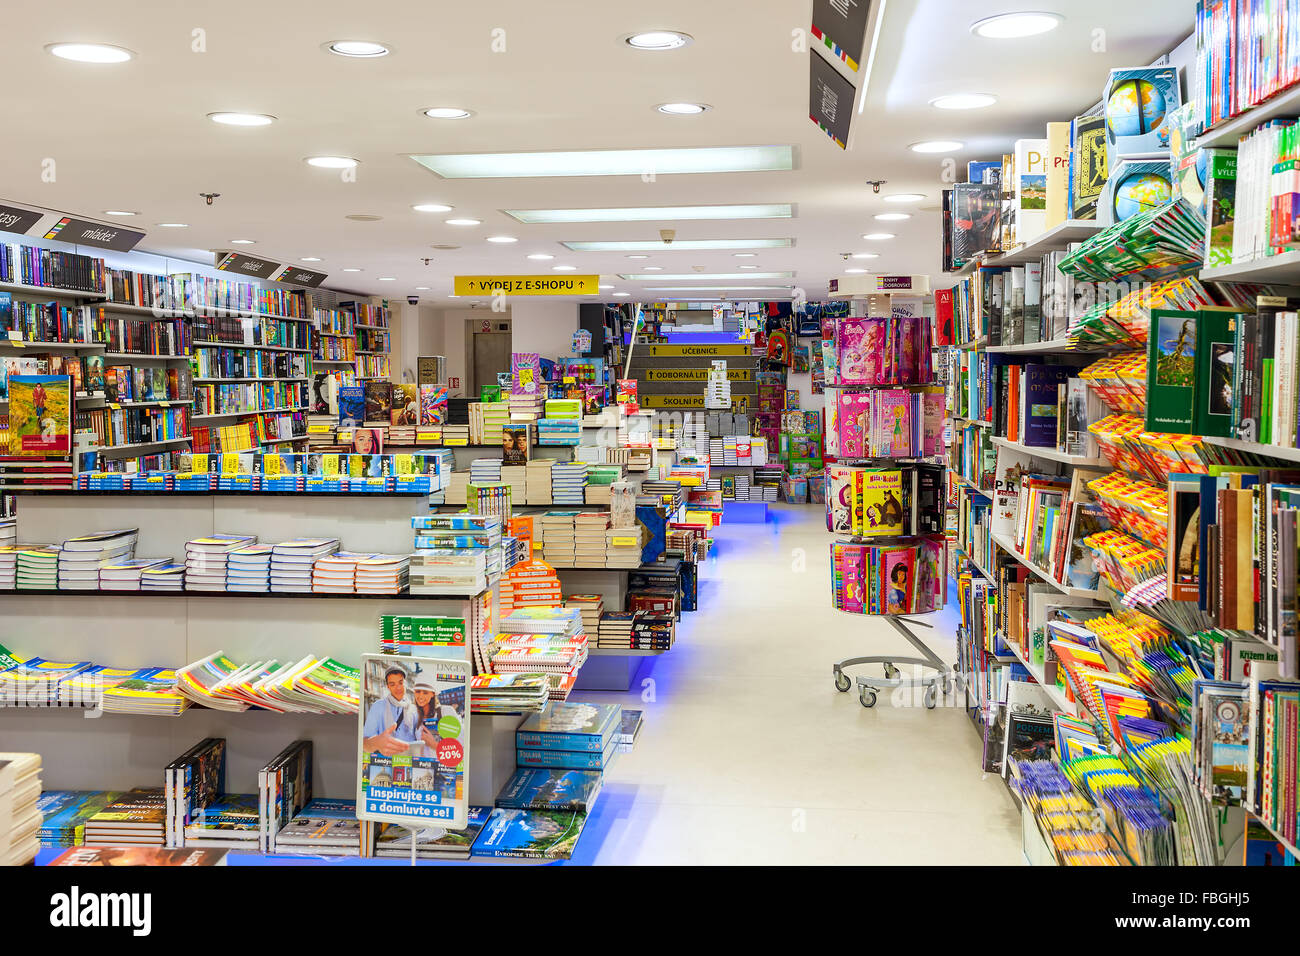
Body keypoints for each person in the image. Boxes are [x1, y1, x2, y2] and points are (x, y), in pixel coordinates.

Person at [362, 665, 419, 757]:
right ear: (388, 686)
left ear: (405, 683)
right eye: (392, 684)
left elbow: (419, 739)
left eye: (400, 683)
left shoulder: (414, 710)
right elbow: (364, 744)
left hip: (408, 761)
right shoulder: (378, 706)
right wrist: (377, 743)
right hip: (385, 761)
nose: (398, 688)